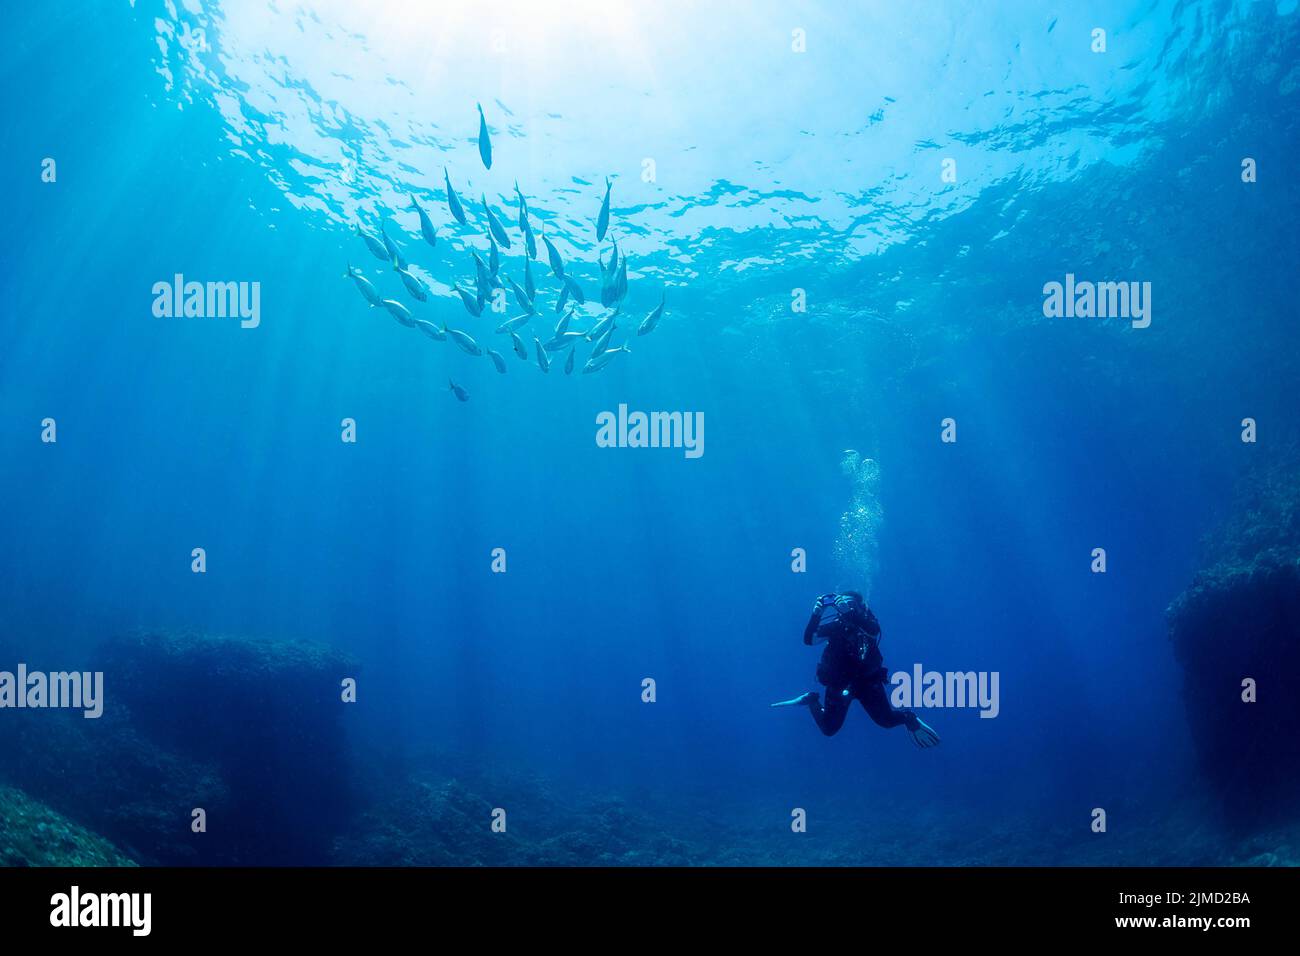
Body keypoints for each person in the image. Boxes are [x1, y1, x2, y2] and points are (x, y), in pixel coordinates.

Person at [772, 592, 940, 748]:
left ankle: (910, 719)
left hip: (868, 683)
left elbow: (873, 632)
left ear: (860, 607)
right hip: (838, 684)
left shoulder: (868, 623)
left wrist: (850, 614)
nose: (847, 607)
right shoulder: (836, 626)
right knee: (829, 729)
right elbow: (809, 640)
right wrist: (816, 615)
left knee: (886, 721)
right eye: (842, 603)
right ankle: (812, 700)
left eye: (851, 604)